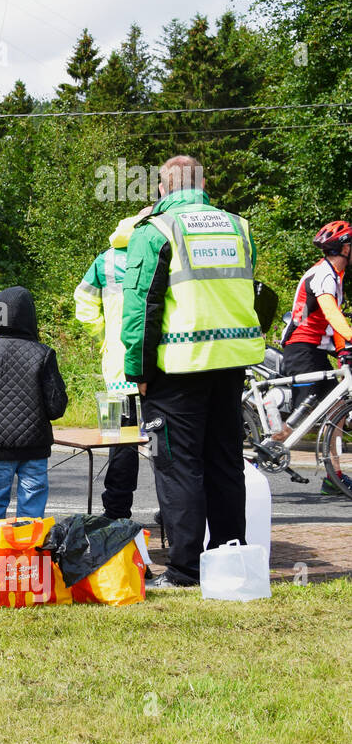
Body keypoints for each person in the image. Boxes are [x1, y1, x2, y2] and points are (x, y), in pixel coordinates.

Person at [122, 155, 264, 588]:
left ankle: (185, 570)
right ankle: (230, 558)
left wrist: (138, 371)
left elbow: (140, 307)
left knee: (179, 466)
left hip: (178, 368)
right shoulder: (238, 226)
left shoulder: (154, 230)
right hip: (231, 364)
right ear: (202, 185)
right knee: (224, 463)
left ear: (163, 189)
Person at [73, 209, 149, 520]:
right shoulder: (162, 249)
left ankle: (115, 512)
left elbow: (84, 300)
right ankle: (174, 511)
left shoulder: (104, 260)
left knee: (118, 443)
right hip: (161, 368)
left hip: (116, 368)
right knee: (165, 442)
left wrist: (104, 336)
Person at [273, 221, 352, 496]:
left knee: (337, 406)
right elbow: (331, 313)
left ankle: (334, 475)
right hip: (301, 348)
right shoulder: (323, 275)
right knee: (299, 419)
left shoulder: (335, 275)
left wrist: (344, 350)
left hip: (315, 349)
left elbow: (332, 323)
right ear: (344, 248)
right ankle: (253, 463)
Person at [0, 286, 68, 519]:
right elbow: (56, 407)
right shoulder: (43, 354)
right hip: (35, 445)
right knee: (31, 509)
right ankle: (28, 552)